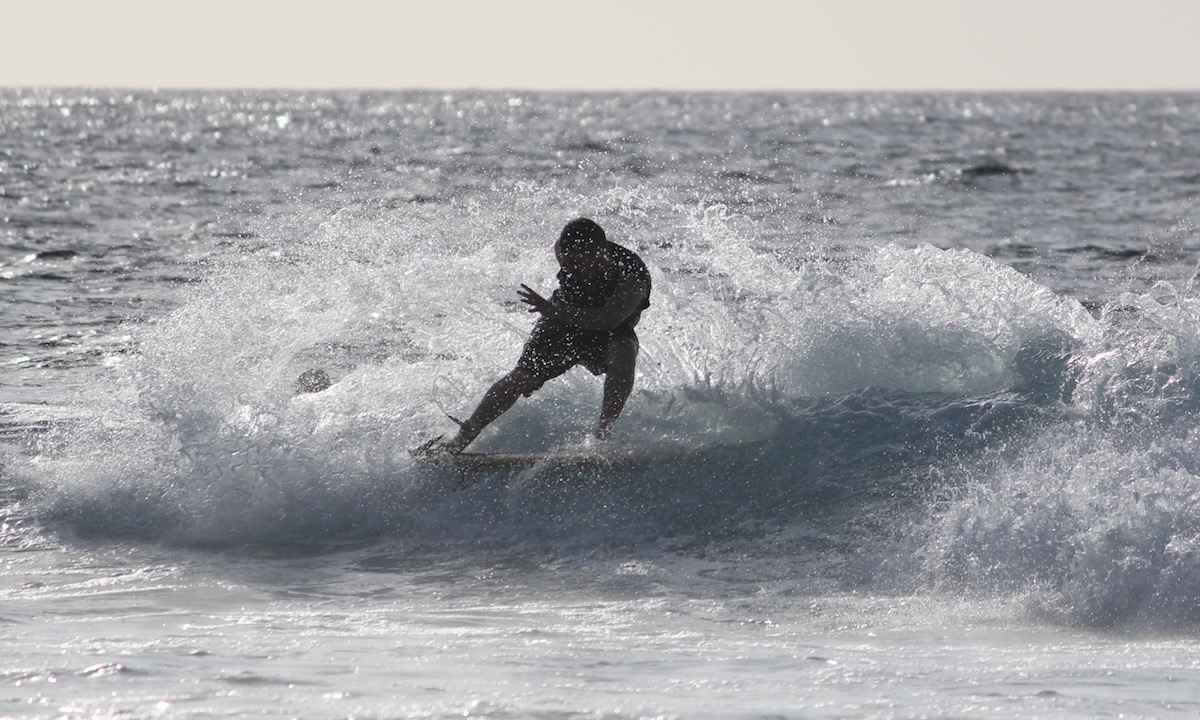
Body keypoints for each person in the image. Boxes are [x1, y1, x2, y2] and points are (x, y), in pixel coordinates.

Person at [418, 218, 651, 456]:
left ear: (600, 252)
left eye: (578, 263)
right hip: (562, 323)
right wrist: (555, 313)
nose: (570, 271)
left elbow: (609, 320)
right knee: (522, 377)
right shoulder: (565, 249)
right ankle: (459, 442)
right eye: (566, 263)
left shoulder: (631, 272)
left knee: (624, 349)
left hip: (604, 329)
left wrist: (552, 310)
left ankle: (603, 438)